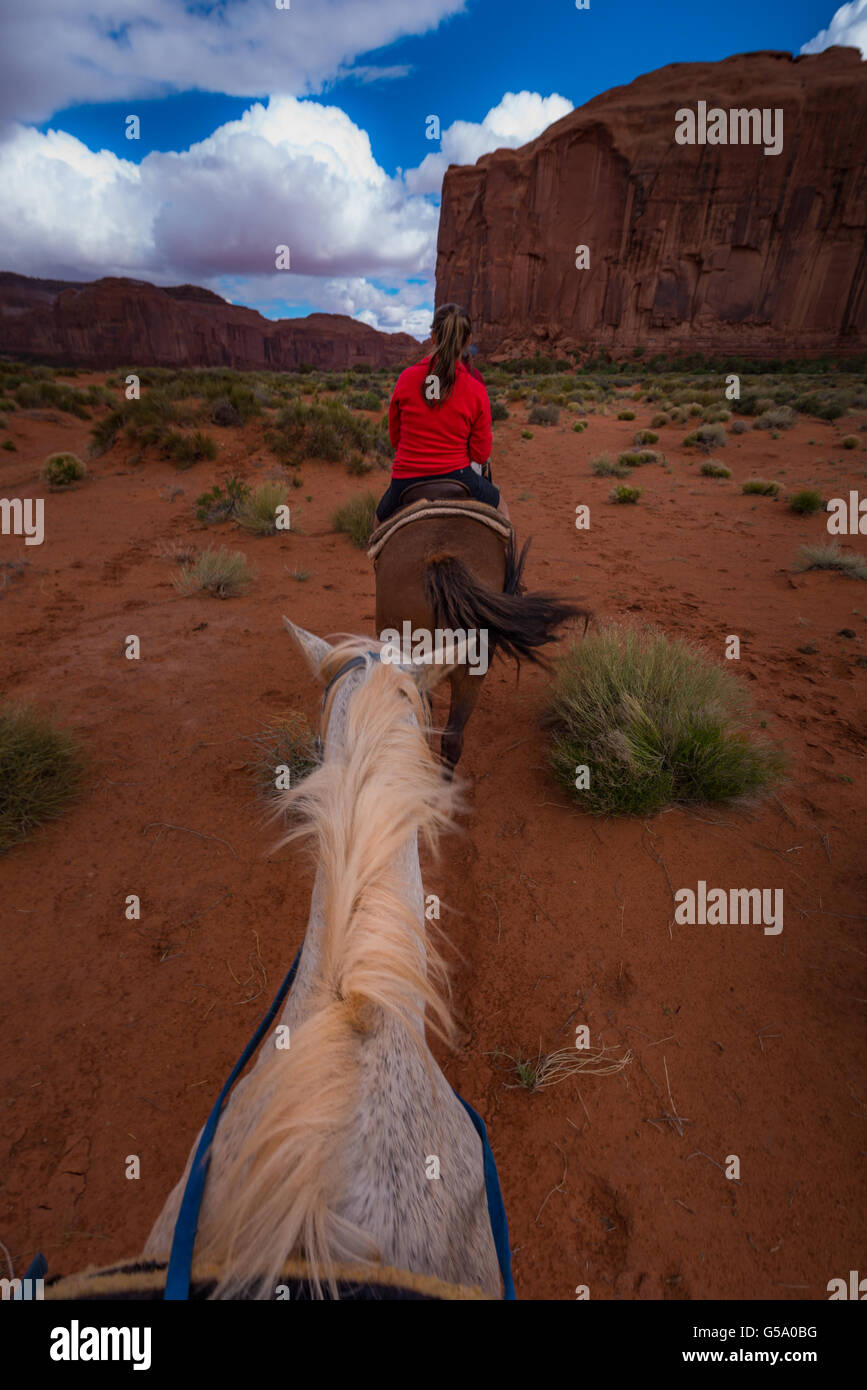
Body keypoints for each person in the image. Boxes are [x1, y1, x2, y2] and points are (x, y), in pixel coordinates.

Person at [375, 303, 511, 524]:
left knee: (377, 525)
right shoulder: (476, 388)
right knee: (503, 514)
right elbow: (480, 455)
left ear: (432, 337)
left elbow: (395, 439)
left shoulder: (406, 378)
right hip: (459, 478)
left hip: (405, 482)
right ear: (468, 341)